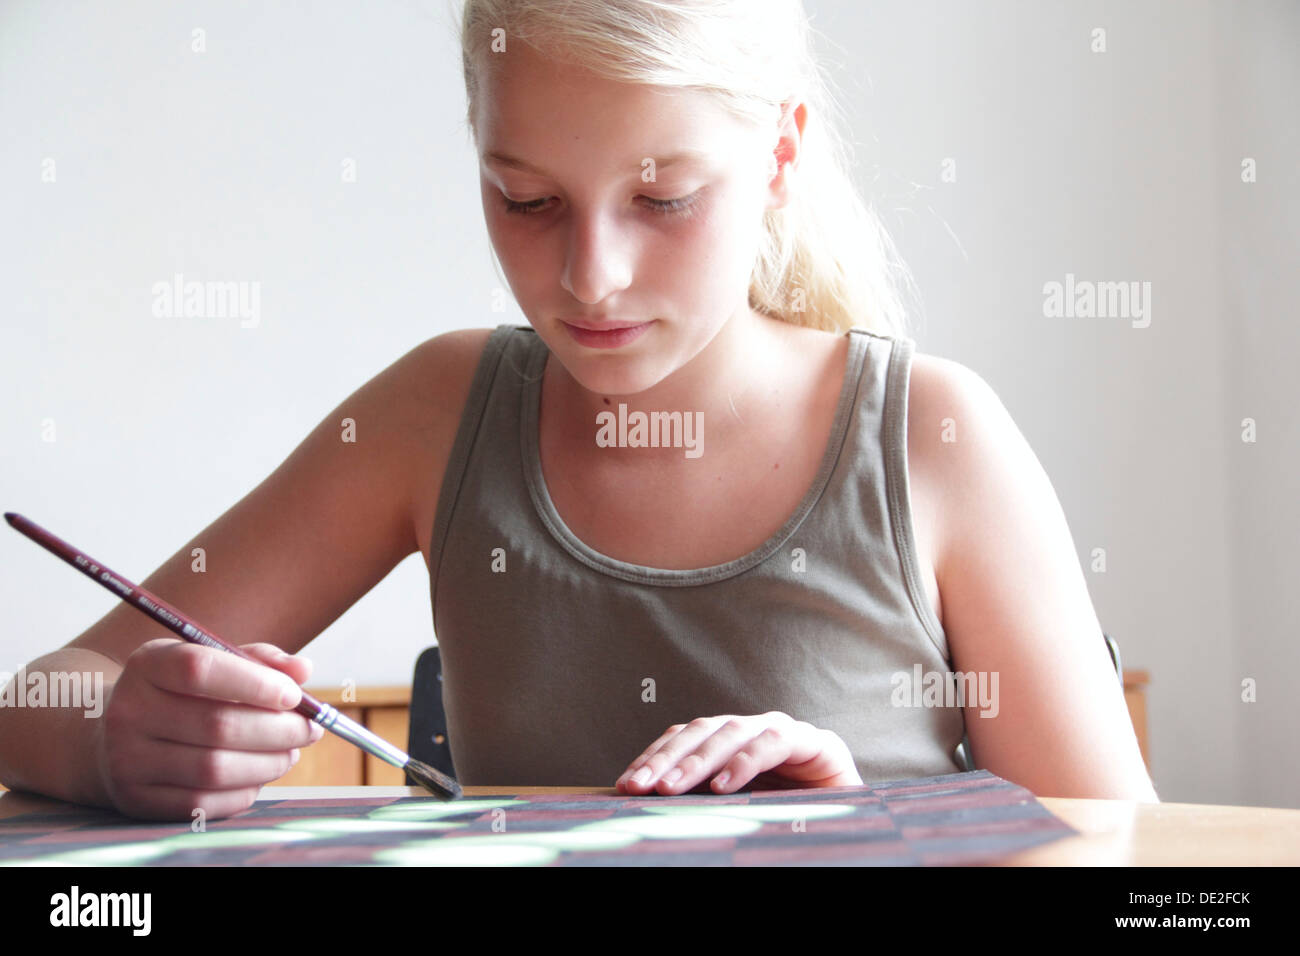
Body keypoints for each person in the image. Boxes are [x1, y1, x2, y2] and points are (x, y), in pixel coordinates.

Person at [0, 0, 1158, 821]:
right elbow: (35, 698)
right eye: (527, 198)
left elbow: (1142, 869)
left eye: (662, 198)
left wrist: (865, 826)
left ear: (779, 157)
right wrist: (109, 741)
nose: (589, 276)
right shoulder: (436, 413)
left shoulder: (931, 436)